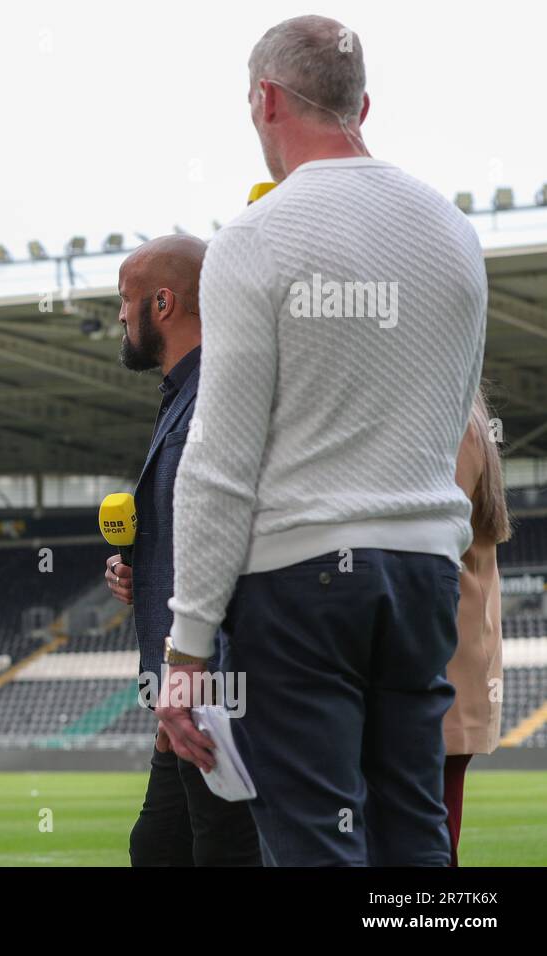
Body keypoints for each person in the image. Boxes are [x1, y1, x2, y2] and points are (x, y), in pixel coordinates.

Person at [156, 16, 486, 866]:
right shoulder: (454, 232)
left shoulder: (254, 239)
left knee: (312, 836)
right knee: (413, 829)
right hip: (422, 571)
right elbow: (454, 417)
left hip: (300, 577)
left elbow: (220, 463)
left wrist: (186, 649)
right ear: (361, 102)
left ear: (266, 99)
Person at [105, 235, 260, 866]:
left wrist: (195, 675)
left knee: (222, 851)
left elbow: (234, 536)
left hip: (215, 686)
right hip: (191, 686)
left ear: (162, 303)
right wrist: (142, 570)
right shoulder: (185, 395)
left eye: (126, 299)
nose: (120, 314)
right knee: (158, 847)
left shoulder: (214, 397)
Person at [445, 388, 512, 865]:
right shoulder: (465, 417)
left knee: (420, 842)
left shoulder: (449, 422)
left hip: (433, 674)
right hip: (449, 673)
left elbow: (421, 548)